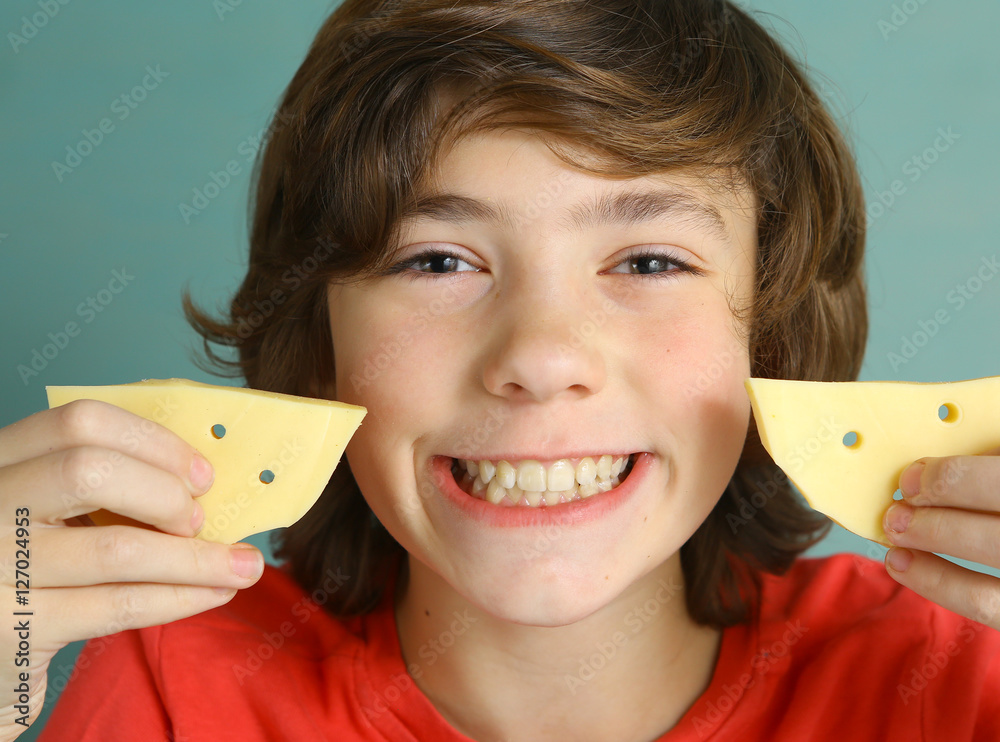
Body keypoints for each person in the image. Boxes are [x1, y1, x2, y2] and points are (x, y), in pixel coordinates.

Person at [6, 0, 998, 739]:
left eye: (649, 261)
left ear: (768, 343)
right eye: (438, 261)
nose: (540, 358)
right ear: (322, 343)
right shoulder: (172, 679)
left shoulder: (949, 681)